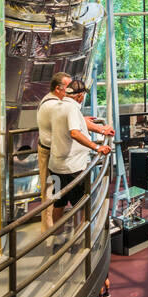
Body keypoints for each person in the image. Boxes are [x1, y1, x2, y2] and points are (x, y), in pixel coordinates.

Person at [48, 81, 111, 236]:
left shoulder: (59, 105)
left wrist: (85, 121)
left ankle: (56, 238)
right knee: (82, 204)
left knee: (59, 202)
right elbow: (74, 133)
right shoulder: (72, 109)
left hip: (55, 166)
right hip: (72, 168)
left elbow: (72, 124)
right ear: (80, 96)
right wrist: (97, 147)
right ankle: (81, 238)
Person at [36, 73, 72, 234]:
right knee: (51, 192)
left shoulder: (51, 101)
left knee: (55, 191)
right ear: (58, 88)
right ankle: (49, 230)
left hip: (51, 153)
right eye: (68, 88)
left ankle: (52, 229)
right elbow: (70, 124)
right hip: (49, 155)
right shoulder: (52, 106)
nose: (70, 92)